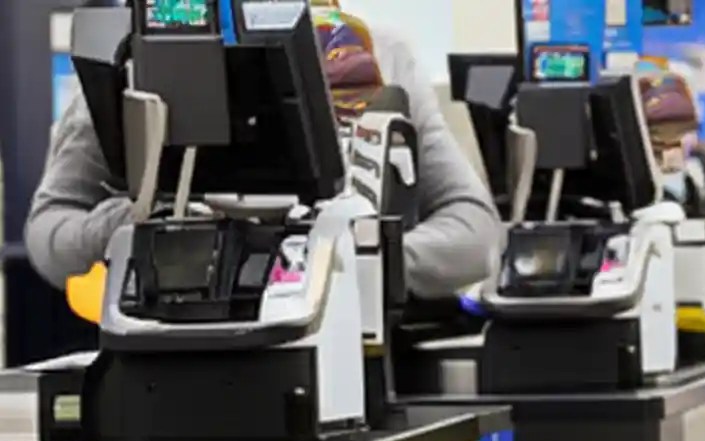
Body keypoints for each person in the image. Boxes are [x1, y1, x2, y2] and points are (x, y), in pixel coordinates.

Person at [25, 0, 501, 303]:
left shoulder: (382, 53)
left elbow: (475, 234)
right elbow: (49, 236)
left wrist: (348, 261)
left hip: (342, 366)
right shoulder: (133, 57)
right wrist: (129, 225)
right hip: (163, 358)